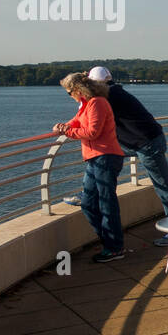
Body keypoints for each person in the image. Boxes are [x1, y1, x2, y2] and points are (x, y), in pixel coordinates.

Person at [86, 65, 168, 246]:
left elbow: (91, 121)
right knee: (106, 154)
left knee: (163, 185)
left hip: (147, 143)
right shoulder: (115, 92)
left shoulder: (110, 96)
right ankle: (91, 190)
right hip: (140, 142)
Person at [53, 73, 126, 262]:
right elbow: (76, 122)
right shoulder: (87, 105)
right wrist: (63, 126)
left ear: (78, 90)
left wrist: (67, 131)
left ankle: (114, 247)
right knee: (88, 203)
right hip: (95, 159)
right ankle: (109, 243)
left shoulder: (98, 103)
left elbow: (92, 132)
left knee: (106, 203)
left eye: (69, 92)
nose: (69, 96)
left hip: (106, 158)